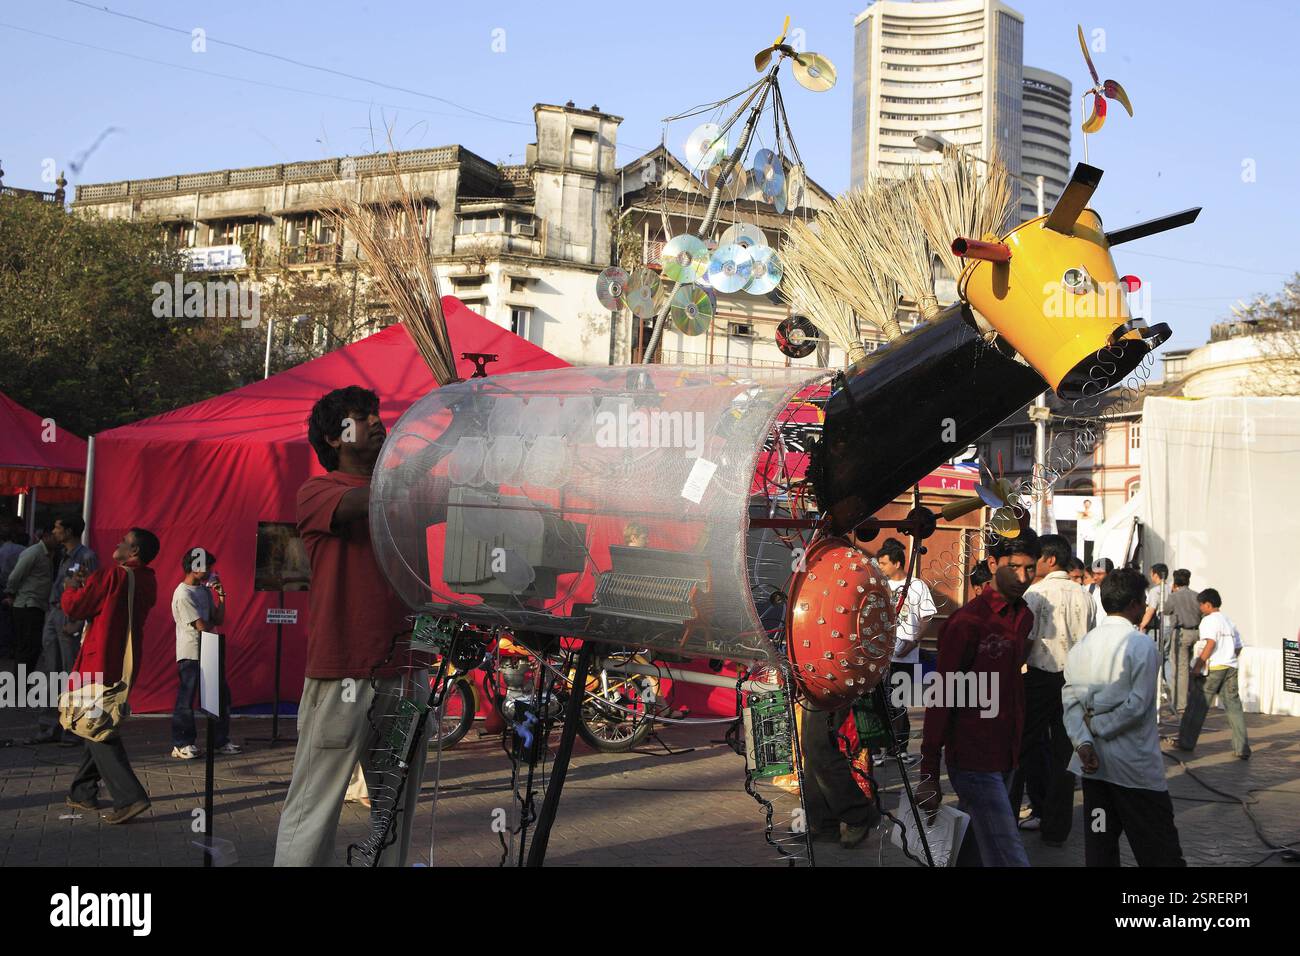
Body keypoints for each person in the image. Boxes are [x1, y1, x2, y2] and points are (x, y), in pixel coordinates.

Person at [274, 386, 432, 867]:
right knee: (314, 804)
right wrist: (437, 448)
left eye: (376, 413)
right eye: (362, 418)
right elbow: (367, 501)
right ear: (333, 436)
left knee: (395, 810)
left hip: (405, 669)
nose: (377, 422)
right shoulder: (320, 491)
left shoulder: (404, 492)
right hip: (342, 669)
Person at [916, 530, 1040, 867]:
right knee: (1008, 852)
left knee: (973, 846)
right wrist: (929, 773)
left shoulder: (1024, 616)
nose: (1023, 577)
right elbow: (942, 696)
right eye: (1014, 567)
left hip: (1007, 752)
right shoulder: (967, 623)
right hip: (973, 757)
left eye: (1030, 569)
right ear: (992, 564)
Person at [1062, 568, 1186, 866]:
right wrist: (1099, 729)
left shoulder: (1083, 646)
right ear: (1133, 603)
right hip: (1135, 772)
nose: (1145, 606)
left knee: (1100, 847)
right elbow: (1138, 704)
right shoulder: (1141, 644)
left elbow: (1070, 702)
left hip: (1095, 771)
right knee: (1159, 852)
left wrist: (1084, 741)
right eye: (1143, 600)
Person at [61, 528, 161, 824]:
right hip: (122, 662)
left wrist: (70, 587)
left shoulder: (114, 575)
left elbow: (76, 607)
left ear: (134, 552)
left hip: (98, 659)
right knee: (97, 722)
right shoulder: (147, 580)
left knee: (94, 726)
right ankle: (82, 790)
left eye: (124, 541)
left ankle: (130, 797)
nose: (117, 543)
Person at [1012, 534, 1092, 846]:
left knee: (1019, 749)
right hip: (1074, 680)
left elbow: (1027, 638)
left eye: (1037, 559)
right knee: (1063, 754)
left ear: (1050, 560)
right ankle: (1056, 827)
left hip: (1038, 678)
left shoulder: (1036, 593)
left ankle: (1008, 816)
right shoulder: (1084, 595)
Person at [30, 517, 98, 744]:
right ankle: (50, 727)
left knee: (71, 673)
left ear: (69, 531)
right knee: (51, 672)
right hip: (54, 612)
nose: (54, 532)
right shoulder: (61, 556)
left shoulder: (86, 557)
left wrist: (78, 623)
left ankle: (74, 727)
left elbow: (90, 592)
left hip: (70, 616)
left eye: (57, 528)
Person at [171, 547, 241, 758]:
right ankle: (182, 743)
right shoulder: (182, 594)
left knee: (220, 697)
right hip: (191, 653)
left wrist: (221, 595)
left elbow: (217, 620)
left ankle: (220, 741)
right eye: (206, 566)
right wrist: (210, 623)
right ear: (194, 567)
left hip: (210, 649)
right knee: (187, 698)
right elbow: (202, 625)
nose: (210, 570)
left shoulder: (202, 591)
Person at [873, 536, 936, 760]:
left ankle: (898, 749)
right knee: (880, 702)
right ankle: (878, 749)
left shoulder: (917, 586)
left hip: (906, 654)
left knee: (898, 701)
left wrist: (915, 640)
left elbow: (927, 615)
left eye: (884, 563)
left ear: (897, 563)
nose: (880, 567)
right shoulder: (879, 586)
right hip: (881, 654)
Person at [1172, 589, 1250, 759]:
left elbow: (1210, 643)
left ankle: (1186, 742)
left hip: (1213, 669)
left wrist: (1197, 667)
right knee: (1234, 708)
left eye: (1201, 605)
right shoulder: (1229, 621)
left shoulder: (1208, 621)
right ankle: (1242, 748)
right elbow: (1239, 646)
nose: (1200, 608)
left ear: (1208, 604)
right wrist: (1229, 657)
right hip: (1230, 667)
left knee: (1198, 707)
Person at [3, 526, 57, 668]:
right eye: (54, 535)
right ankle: (19, 687)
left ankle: (22, 685)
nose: (57, 539)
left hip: (36, 605)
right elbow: (15, 576)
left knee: (31, 650)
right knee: (27, 649)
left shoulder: (49, 554)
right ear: (46, 536)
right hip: (27, 606)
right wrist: (10, 594)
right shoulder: (34, 553)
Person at [1165, 570, 1201, 712]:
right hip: (1196, 632)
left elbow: (1165, 610)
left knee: (1180, 670)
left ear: (1175, 582)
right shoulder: (1196, 596)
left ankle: (1181, 704)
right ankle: (1193, 699)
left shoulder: (1174, 597)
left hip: (1181, 633)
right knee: (1190, 667)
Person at [1087, 557, 1113, 625]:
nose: (1095, 577)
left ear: (1109, 573)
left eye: (1099, 574)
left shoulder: (1118, 590)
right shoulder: (1088, 589)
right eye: (1094, 574)